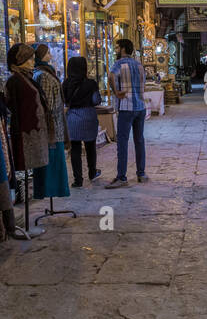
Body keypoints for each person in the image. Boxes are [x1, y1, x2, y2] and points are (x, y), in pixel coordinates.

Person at [3, 43, 48, 237]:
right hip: (24, 134)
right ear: (19, 61)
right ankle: (25, 226)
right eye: (28, 58)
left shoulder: (27, 79)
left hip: (33, 132)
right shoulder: (15, 82)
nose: (32, 61)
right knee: (26, 166)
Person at [106, 37, 146, 188]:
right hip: (140, 107)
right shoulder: (139, 64)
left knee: (122, 142)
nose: (116, 50)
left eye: (117, 48)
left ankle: (122, 177)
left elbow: (110, 76)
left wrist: (116, 92)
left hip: (126, 107)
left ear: (123, 49)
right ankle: (141, 174)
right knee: (139, 140)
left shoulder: (119, 64)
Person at [32, 44, 70, 200]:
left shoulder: (42, 73)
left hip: (54, 126)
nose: (51, 56)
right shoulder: (44, 76)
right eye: (48, 53)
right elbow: (48, 104)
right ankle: (51, 190)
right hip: (53, 127)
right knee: (53, 164)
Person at [62, 55, 101, 186]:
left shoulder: (66, 83)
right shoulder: (91, 83)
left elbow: (64, 101)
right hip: (88, 116)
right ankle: (92, 172)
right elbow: (96, 100)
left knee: (75, 149)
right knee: (90, 147)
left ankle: (78, 180)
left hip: (73, 117)